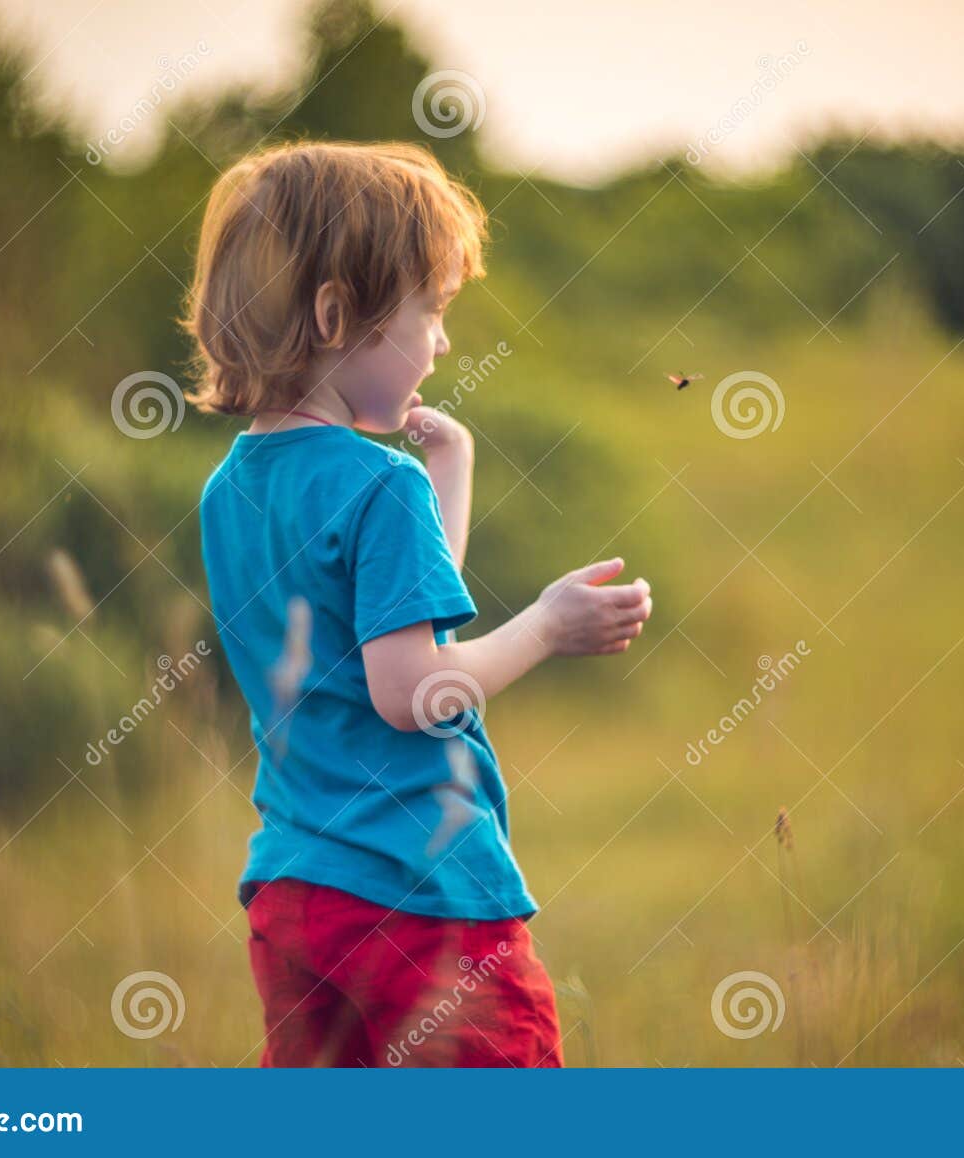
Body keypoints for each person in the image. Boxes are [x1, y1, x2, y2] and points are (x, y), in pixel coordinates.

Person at [186, 141, 652, 1066]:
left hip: (295, 894)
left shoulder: (230, 489)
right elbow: (416, 691)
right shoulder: (376, 485)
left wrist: (452, 470)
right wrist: (547, 627)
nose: (443, 341)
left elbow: (401, 617)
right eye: (431, 311)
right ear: (334, 316)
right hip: (416, 893)